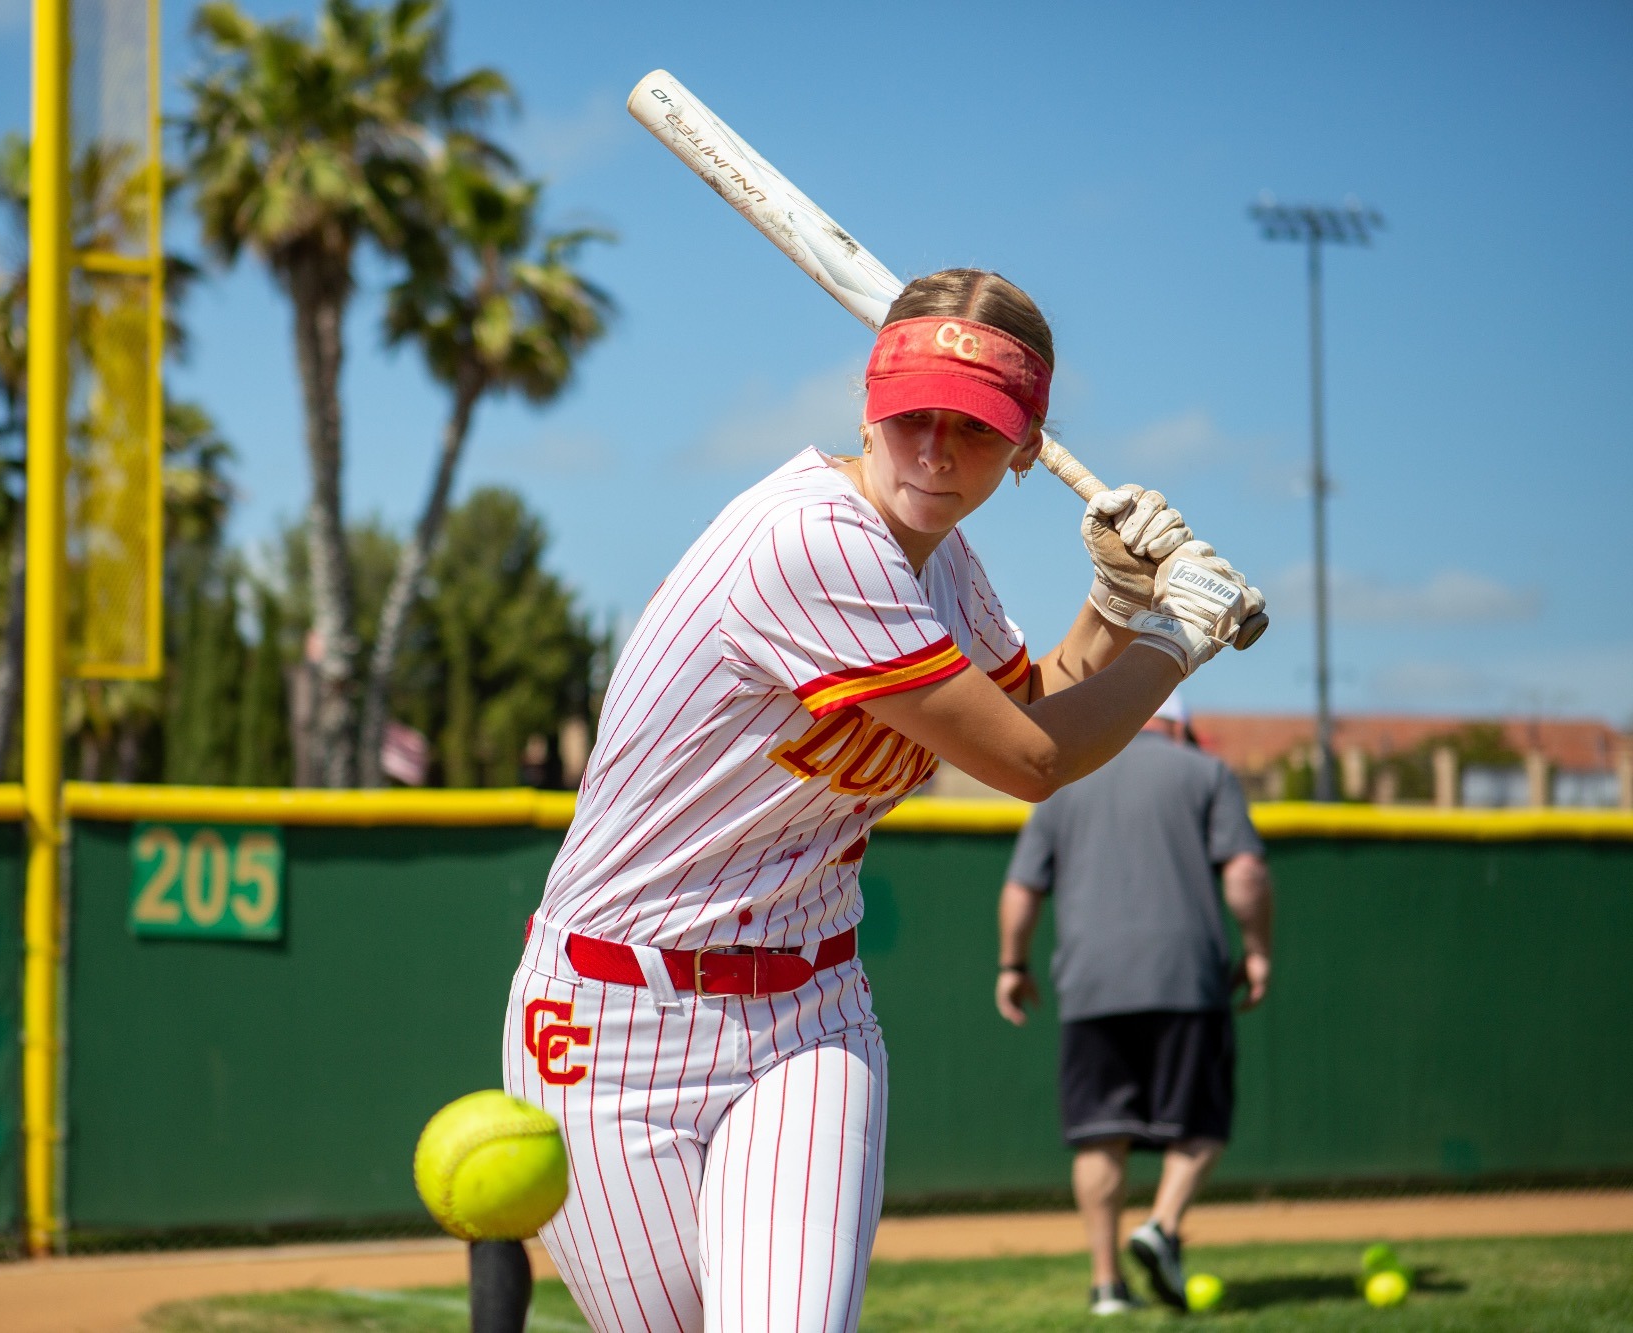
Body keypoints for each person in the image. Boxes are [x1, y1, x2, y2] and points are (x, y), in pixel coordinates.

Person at [502, 268, 1266, 1332]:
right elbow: (1029, 761)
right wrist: (1174, 637)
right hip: (613, 1018)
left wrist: (1111, 603)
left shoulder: (944, 569)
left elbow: (1025, 699)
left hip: (807, 1014)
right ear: (869, 403)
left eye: (974, 425)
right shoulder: (807, 540)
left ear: (1025, 449)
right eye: (912, 414)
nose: (934, 449)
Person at [995, 691, 1275, 1316]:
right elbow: (1247, 875)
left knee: (1100, 1136)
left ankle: (1106, 1288)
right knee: (1201, 1124)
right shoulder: (1207, 773)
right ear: (1182, 727)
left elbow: (1022, 888)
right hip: (1185, 978)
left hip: (1092, 984)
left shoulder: (1063, 783)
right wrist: (1256, 951)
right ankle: (1163, 1224)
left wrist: (1013, 965)